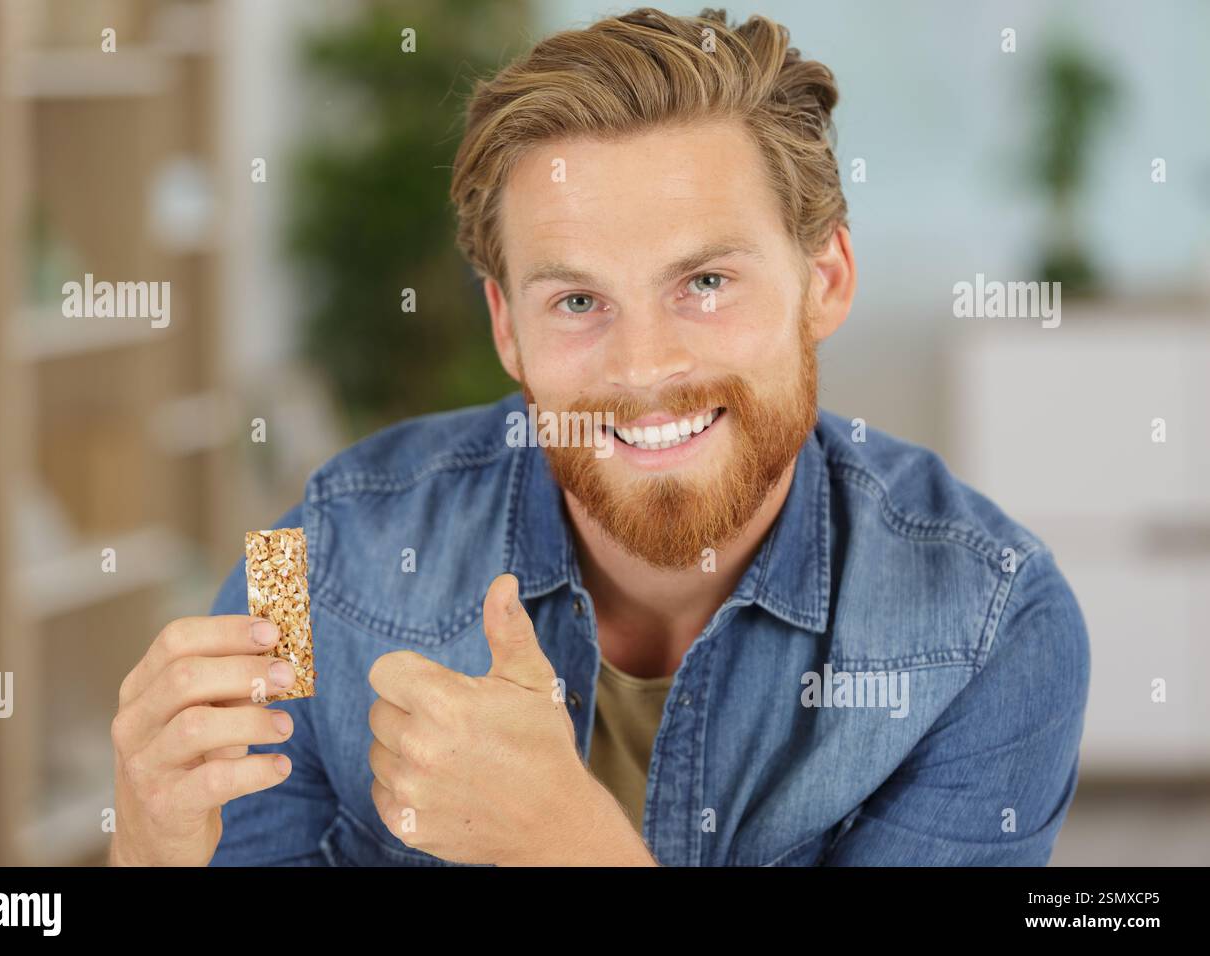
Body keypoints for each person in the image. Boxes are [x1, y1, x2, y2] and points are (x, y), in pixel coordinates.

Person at [109, 6, 1088, 867]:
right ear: (506, 327)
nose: (643, 368)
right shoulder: (299, 554)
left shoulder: (997, 623)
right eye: (578, 299)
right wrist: (150, 847)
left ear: (823, 279)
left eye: (704, 283)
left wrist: (561, 839)